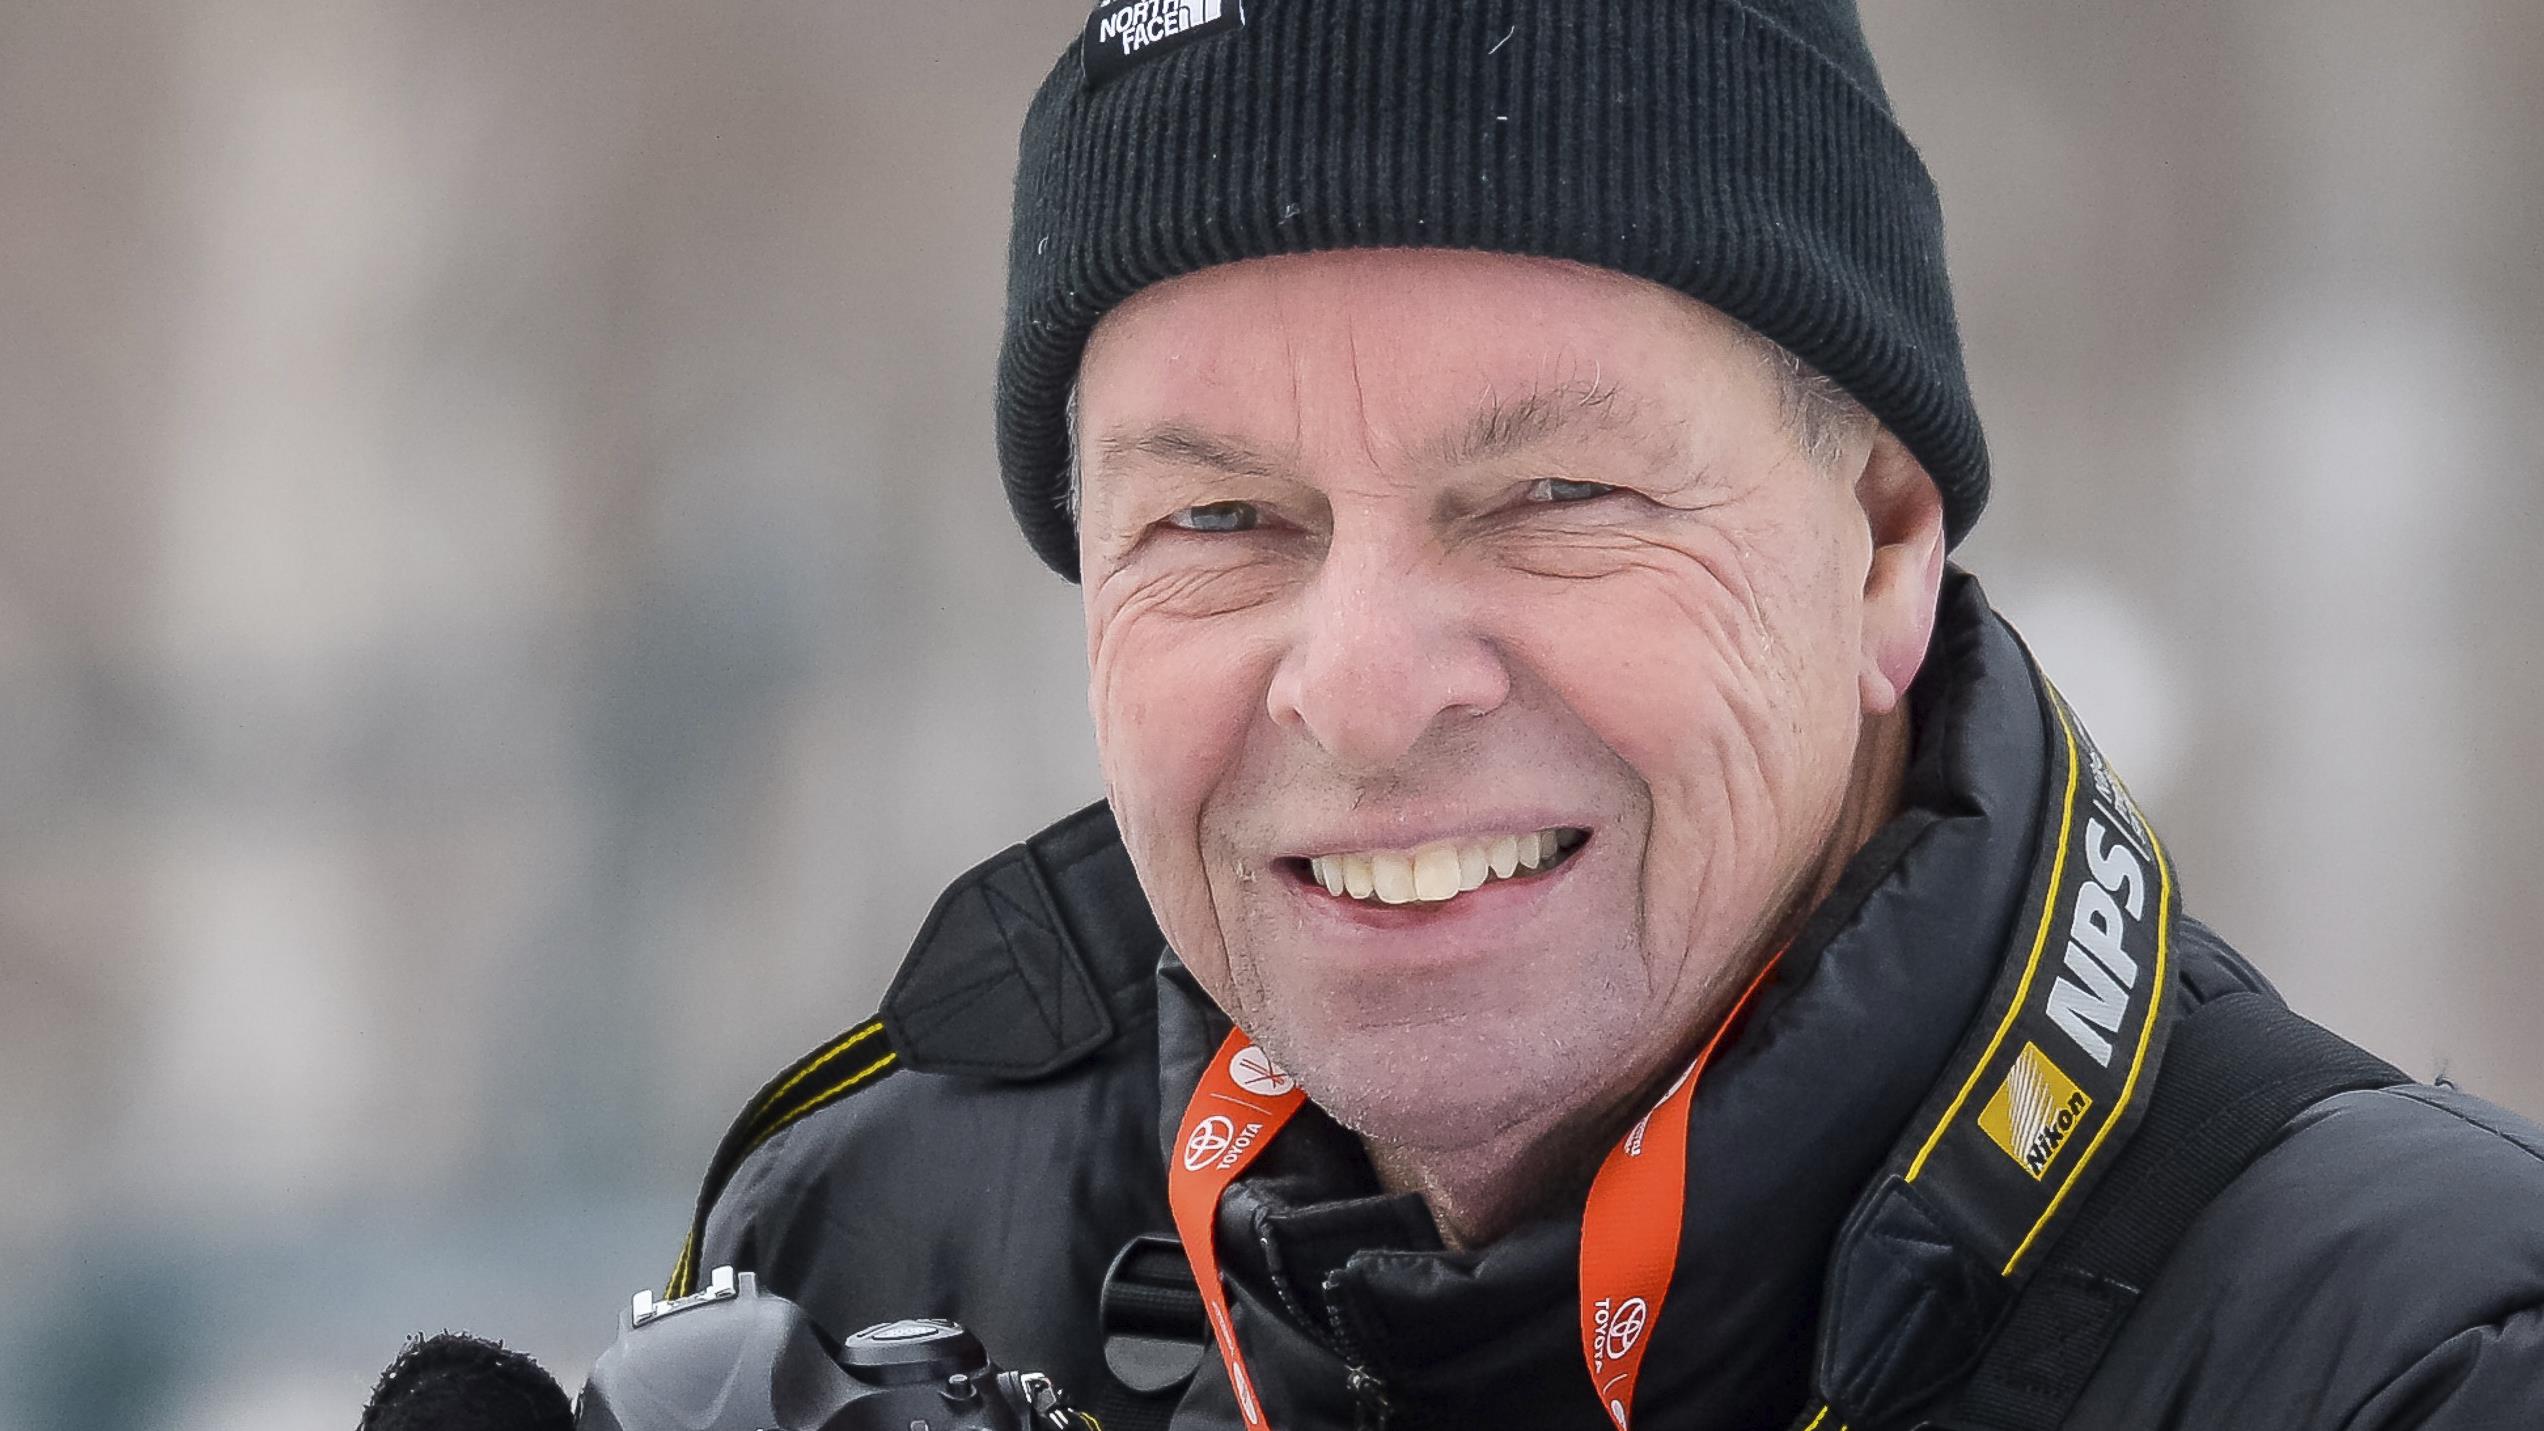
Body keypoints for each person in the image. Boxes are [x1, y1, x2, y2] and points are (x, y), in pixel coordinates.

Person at [667, 3, 2544, 1427]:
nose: (1365, 692)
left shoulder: (2417, 1360)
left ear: (1883, 547)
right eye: (1220, 521)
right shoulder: (868, 1248)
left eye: (1556, 496)